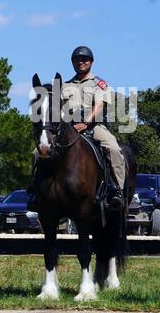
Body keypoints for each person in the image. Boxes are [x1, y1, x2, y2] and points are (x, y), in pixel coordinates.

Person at [36, 46, 125, 211]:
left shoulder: (99, 83)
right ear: (73, 63)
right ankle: (35, 191)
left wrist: (86, 122)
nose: (81, 62)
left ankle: (116, 191)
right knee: (38, 152)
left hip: (94, 126)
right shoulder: (65, 86)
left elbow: (99, 105)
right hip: (69, 127)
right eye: (77, 60)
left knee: (113, 148)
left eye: (84, 59)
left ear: (91, 62)